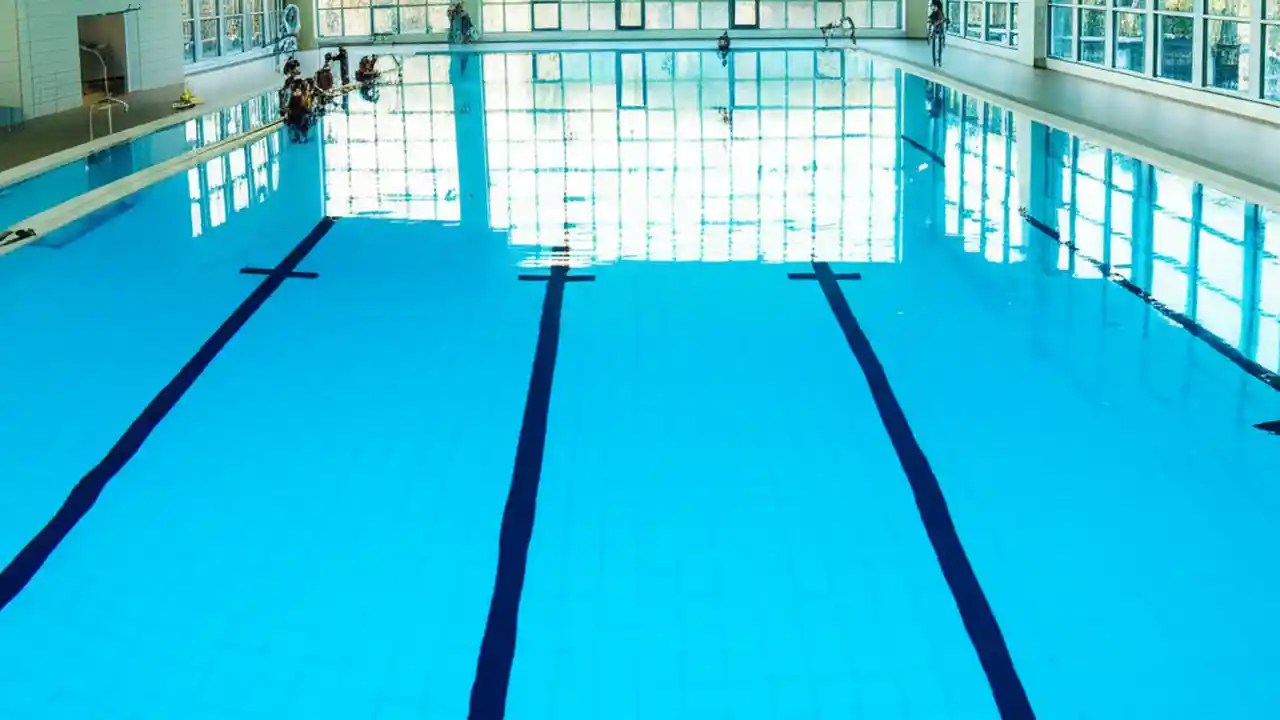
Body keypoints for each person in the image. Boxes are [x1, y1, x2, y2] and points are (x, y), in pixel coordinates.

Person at [927, 0, 948, 66]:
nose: (931, 7)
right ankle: (938, 60)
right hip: (936, 30)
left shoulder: (939, 13)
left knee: (939, 45)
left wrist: (937, 22)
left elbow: (941, 20)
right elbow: (930, 19)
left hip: (939, 30)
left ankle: (939, 60)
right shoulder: (934, 13)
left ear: (935, 6)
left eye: (931, 6)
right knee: (937, 46)